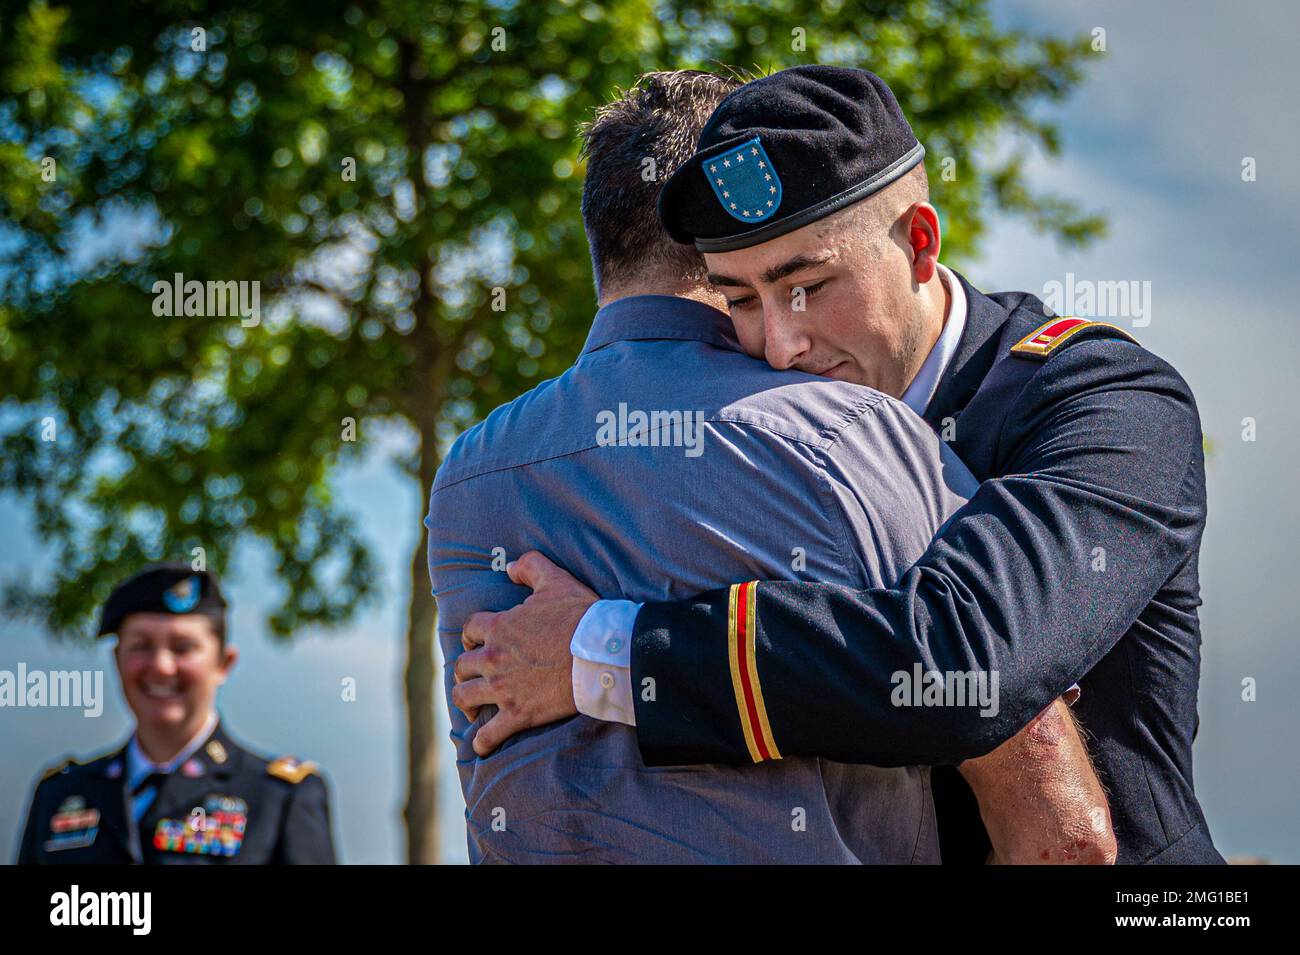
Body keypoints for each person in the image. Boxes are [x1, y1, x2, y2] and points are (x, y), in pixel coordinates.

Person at [454, 65, 1221, 864]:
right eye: (742, 300)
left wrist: (600, 649)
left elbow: (965, 662)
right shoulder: (773, 425)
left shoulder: (1105, 398)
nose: (780, 347)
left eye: (808, 286)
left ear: (920, 241)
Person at [16, 563, 336, 864]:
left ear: (224, 663)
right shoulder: (60, 794)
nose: (161, 667)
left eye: (183, 648)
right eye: (141, 646)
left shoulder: (278, 798)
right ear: (117, 660)